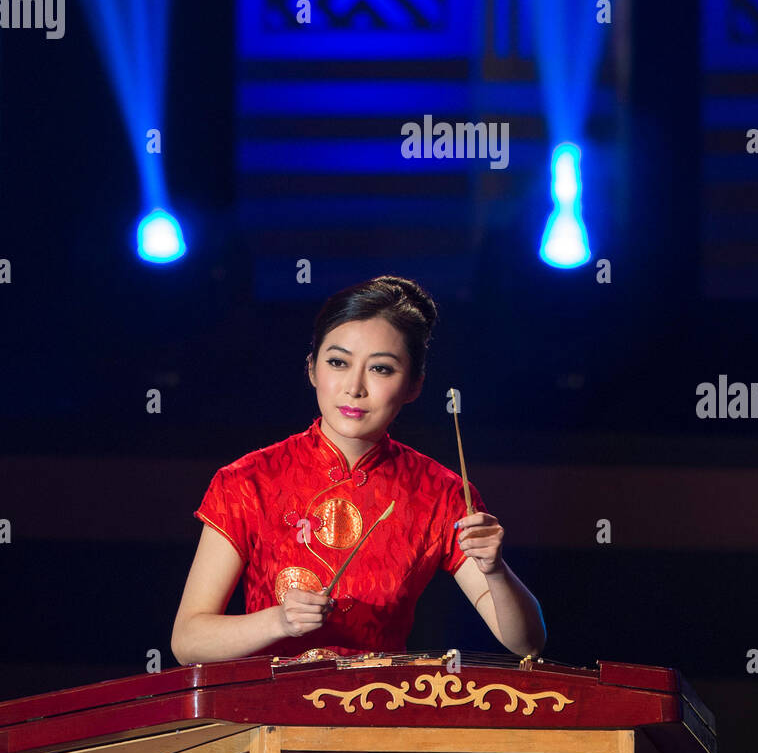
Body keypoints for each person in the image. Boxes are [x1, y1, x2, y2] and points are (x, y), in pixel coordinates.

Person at [171, 275, 546, 664]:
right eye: (338, 362)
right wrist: (278, 621)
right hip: (270, 703)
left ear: (414, 385)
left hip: (384, 700)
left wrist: (495, 570)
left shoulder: (441, 493)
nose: (355, 387)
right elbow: (188, 641)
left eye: (381, 369)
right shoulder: (247, 480)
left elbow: (527, 643)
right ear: (312, 369)